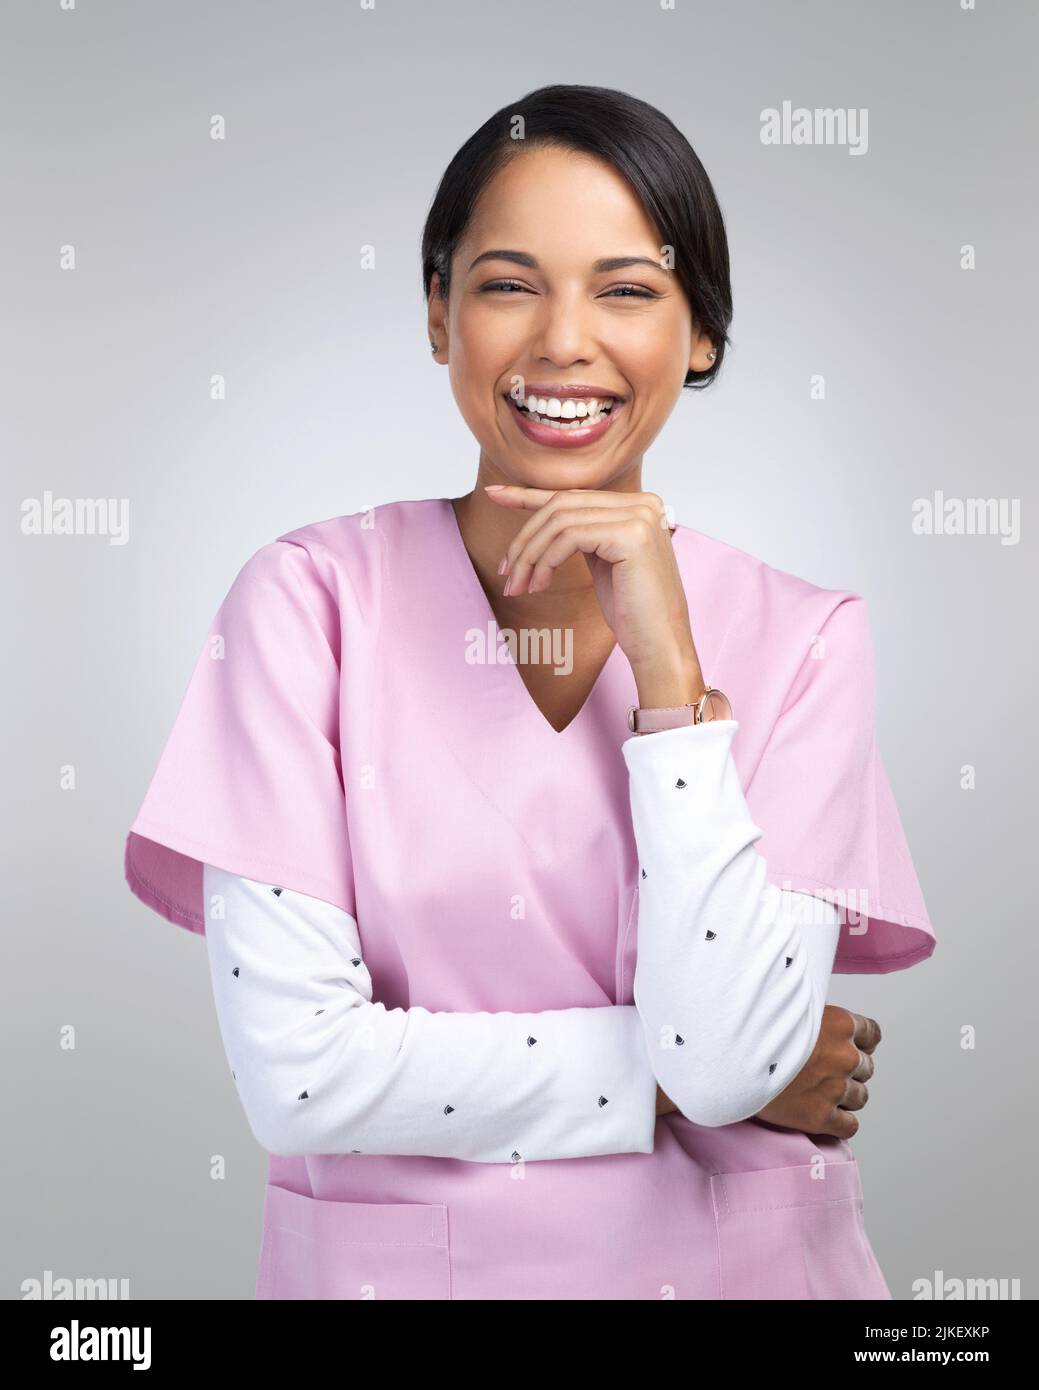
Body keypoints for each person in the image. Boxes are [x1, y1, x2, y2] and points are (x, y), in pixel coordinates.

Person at [123, 84, 936, 1301]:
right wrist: (662, 1076)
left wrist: (672, 684)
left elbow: (728, 1064)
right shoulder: (307, 605)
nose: (563, 339)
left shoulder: (808, 640)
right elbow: (299, 1076)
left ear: (699, 334)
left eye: (626, 288)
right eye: (507, 284)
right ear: (438, 315)